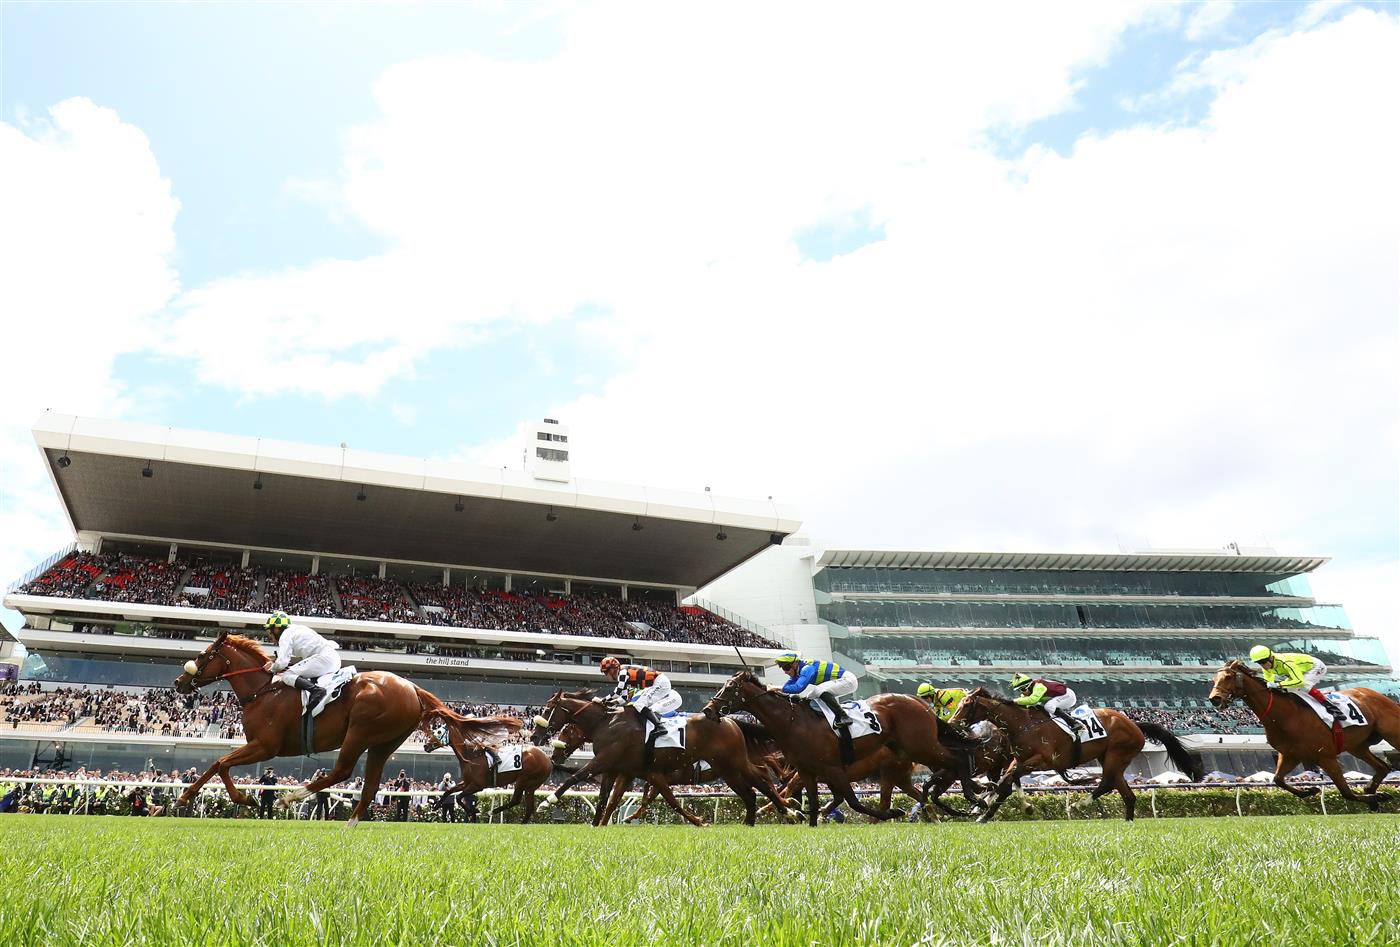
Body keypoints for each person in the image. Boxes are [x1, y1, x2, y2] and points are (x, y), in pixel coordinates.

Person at [262, 610, 340, 712]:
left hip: (324, 659)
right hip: (331, 658)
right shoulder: (296, 629)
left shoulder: (285, 635)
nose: (270, 635)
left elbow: (282, 663)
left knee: (287, 676)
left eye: (270, 631)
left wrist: (271, 668)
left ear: (276, 628)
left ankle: (317, 691)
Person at [1249, 646, 1343, 721]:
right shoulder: (1266, 667)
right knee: (1287, 690)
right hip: (1300, 671)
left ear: (1271, 658)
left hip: (1315, 667)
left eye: (1263, 662)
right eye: (1259, 663)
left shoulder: (1285, 662)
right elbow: (1268, 682)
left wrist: (1278, 685)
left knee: (1303, 686)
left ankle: (1332, 707)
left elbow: (1300, 681)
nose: (1262, 665)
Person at [773, 652, 858, 729]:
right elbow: (787, 685)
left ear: (795, 664)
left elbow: (798, 688)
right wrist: (773, 689)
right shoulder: (799, 669)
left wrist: (778, 688)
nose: (785, 672)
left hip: (848, 680)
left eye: (786, 667)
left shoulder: (807, 668)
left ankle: (844, 716)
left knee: (819, 690)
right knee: (809, 696)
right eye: (783, 668)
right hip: (839, 681)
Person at [598, 656, 682, 732]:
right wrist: (611, 703)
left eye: (606, 673)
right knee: (640, 706)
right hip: (655, 683)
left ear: (612, 669)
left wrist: (602, 700)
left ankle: (660, 728)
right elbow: (623, 698)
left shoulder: (622, 672)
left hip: (660, 682)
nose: (606, 676)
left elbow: (617, 693)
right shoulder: (623, 674)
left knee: (639, 705)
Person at [1010, 673, 1084, 737]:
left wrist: (1015, 701)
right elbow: (1023, 701)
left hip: (1068, 696)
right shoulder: (1031, 688)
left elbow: (1032, 700)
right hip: (1059, 697)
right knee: (1041, 706)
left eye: (1022, 690)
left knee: (1048, 706)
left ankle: (1075, 723)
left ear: (1028, 686)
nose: (1022, 693)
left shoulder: (1039, 686)